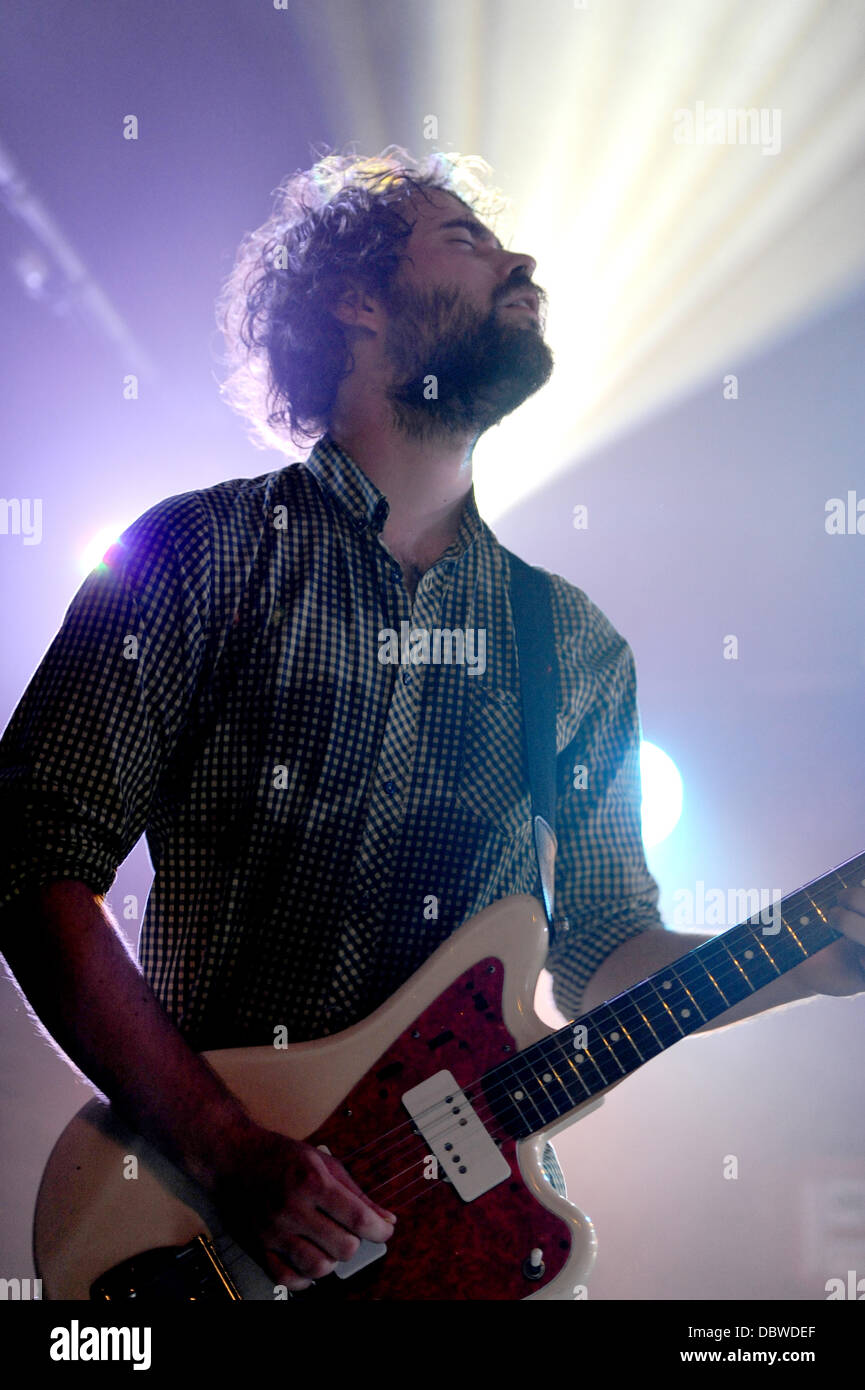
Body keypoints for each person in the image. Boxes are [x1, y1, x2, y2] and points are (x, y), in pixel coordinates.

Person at [1, 146, 864, 1297]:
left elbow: (607, 952)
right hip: (191, 1230)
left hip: (464, 1251)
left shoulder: (574, 644)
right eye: (465, 239)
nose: (522, 260)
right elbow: (30, 855)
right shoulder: (199, 555)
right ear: (354, 301)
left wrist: (815, 957)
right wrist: (223, 1146)